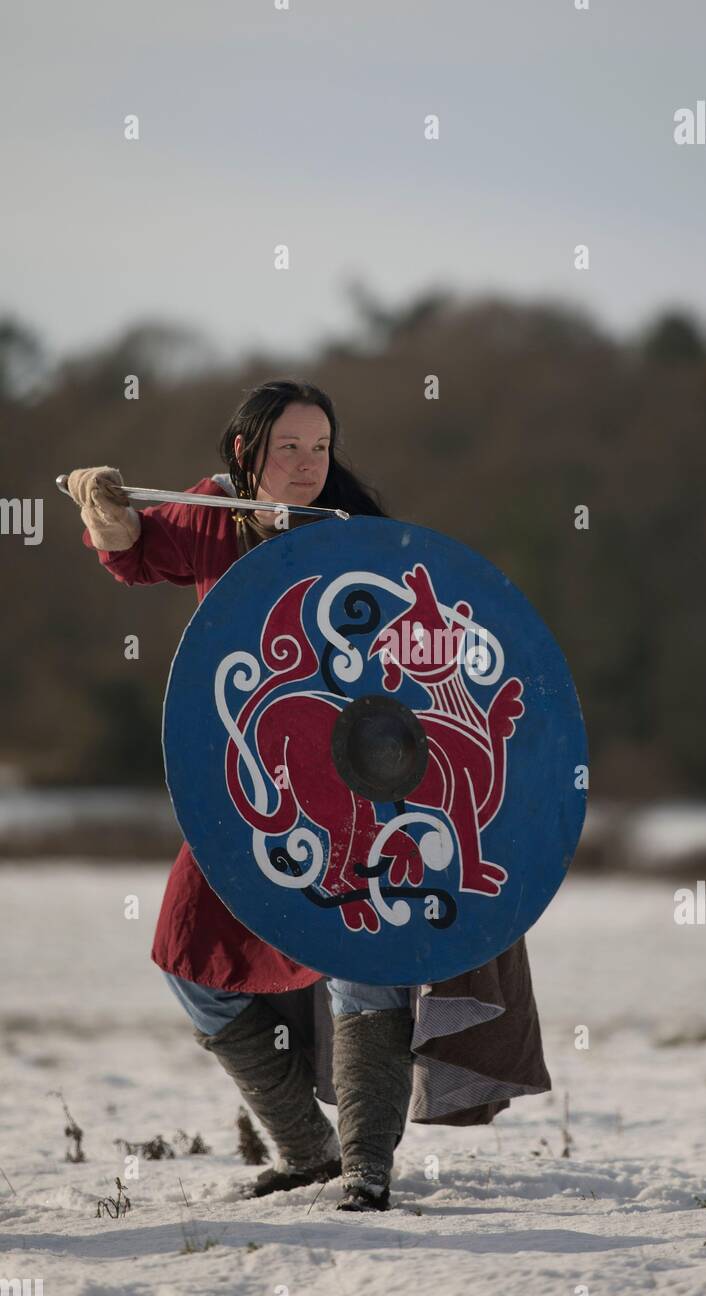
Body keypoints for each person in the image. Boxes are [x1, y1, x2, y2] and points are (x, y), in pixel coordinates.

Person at [68, 378, 552, 1213]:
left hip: (377, 786)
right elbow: (138, 546)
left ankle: (367, 1169)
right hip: (259, 787)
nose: (305, 465)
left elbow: (437, 656)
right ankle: (307, 1148)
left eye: (319, 447)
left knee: (367, 962)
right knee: (192, 960)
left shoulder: (360, 539)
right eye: (286, 448)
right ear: (243, 454)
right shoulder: (213, 514)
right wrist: (100, 506)